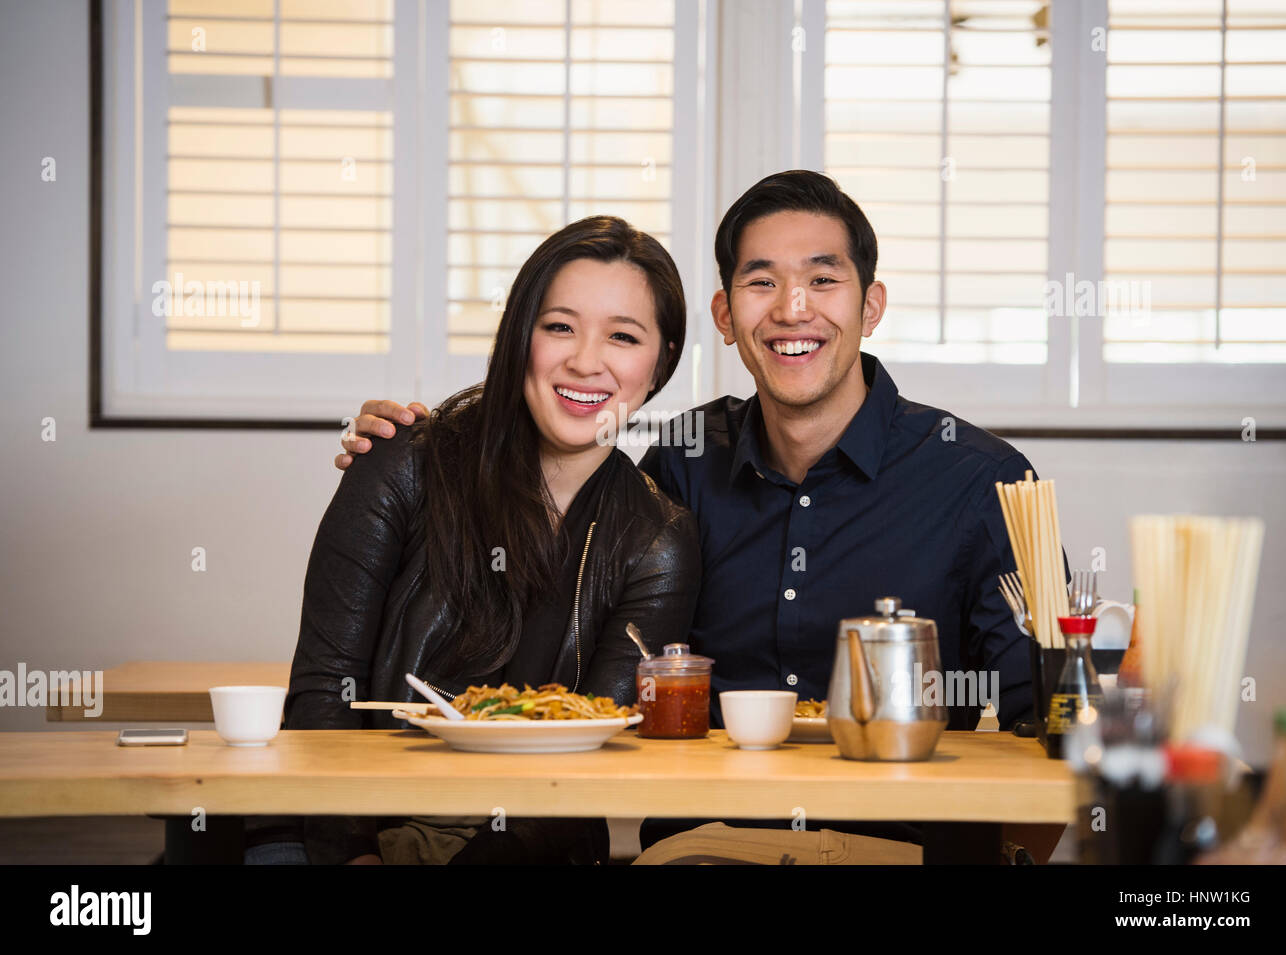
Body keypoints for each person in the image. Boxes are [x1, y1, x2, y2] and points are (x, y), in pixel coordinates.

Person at [339, 170, 1062, 864]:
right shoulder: (678, 470)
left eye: (822, 279)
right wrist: (434, 458)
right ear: (724, 316)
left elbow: (1054, 727)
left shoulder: (983, 481)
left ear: (870, 306)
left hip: (903, 846)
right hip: (704, 843)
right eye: (761, 282)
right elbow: (555, 637)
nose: (792, 308)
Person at [247, 215, 701, 865]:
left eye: (623, 336)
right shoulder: (402, 461)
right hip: (340, 818)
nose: (585, 360)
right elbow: (325, 691)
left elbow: (591, 745)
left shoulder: (659, 541)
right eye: (559, 326)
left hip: (529, 844)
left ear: (658, 365)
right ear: (521, 338)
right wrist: (354, 855)